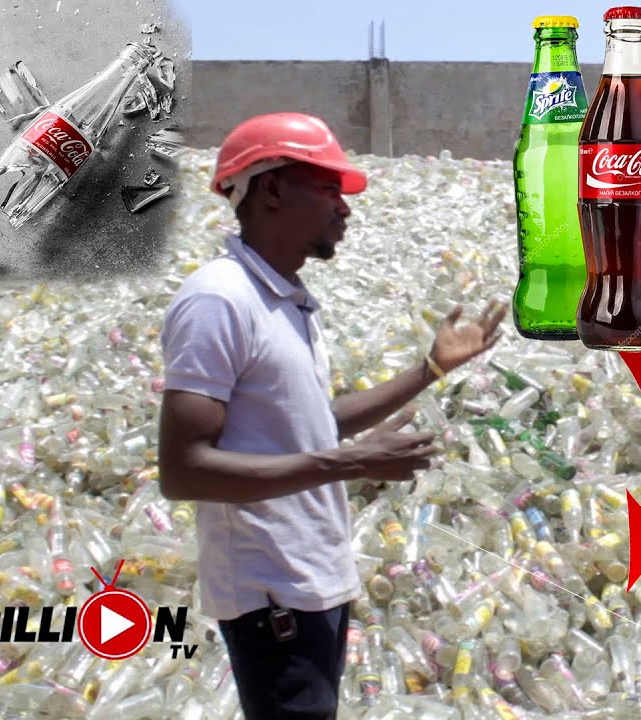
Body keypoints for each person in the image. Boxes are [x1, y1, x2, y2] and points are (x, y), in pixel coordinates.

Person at [156, 112, 507, 720]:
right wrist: (348, 463)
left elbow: (309, 421)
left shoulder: (285, 300)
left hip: (313, 577)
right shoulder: (220, 298)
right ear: (269, 190)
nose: (344, 209)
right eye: (327, 189)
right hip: (271, 594)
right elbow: (184, 470)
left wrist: (430, 370)